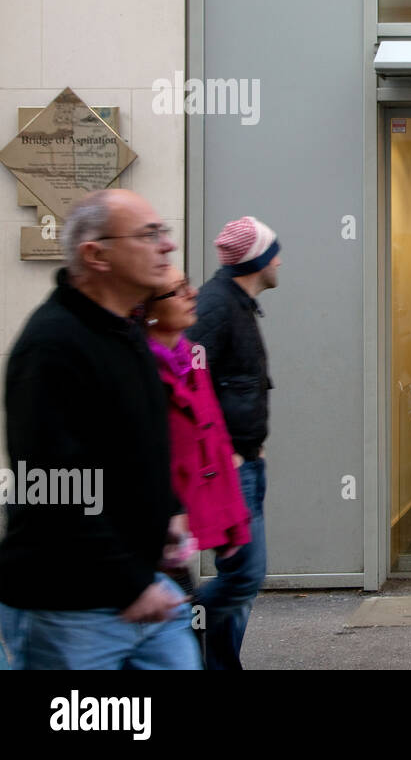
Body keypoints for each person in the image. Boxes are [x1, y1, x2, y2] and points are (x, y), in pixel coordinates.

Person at [0, 189, 200, 669]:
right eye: (149, 235)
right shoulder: (52, 347)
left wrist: (168, 512)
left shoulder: (125, 332)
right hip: (72, 606)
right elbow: (52, 486)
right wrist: (130, 583)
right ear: (96, 255)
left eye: (164, 233)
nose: (167, 247)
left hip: (145, 591)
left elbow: (140, 444)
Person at [187, 216, 280, 670]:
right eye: (274, 251)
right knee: (244, 576)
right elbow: (187, 381)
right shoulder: (216, 307)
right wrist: (222, 453)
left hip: (248, 466)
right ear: (258, 259)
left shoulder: (239, 305)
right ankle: (187, 621)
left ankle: (220, 664)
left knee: (241, 580)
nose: (280, 259)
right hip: (230, 470)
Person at [142, 266, 251, 607]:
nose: (193, 294)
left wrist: (230, 525)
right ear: (148, 313)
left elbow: (214, 441)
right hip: (135, 551)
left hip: (170, 552)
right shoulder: (137, 371)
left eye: (187, 284)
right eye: (178, 290)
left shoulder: (190, 361)